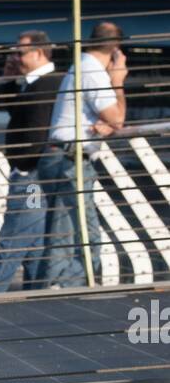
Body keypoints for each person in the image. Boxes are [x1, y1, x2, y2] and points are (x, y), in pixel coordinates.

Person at [34, 21, 128, 288]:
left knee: (63, 232)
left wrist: (104, 123)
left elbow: (106, 119)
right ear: (116, 50)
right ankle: (69, 291)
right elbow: (118, 118)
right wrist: (118, 81)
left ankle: (54, 288)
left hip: (56, 158)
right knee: (83, 233)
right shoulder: (93, 72)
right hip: (70, 160)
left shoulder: (81, 67)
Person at [0, 31, 61, 294]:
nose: (15, 57)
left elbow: (38, 132)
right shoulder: (32, 83)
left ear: (39, 53)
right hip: (30, 175)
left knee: (13, 239)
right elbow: (12, 108)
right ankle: (39, 298)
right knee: (33, 242)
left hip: (32, 179)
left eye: (20, 53)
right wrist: (8, 78)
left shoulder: (49, 84)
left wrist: (25, 168)